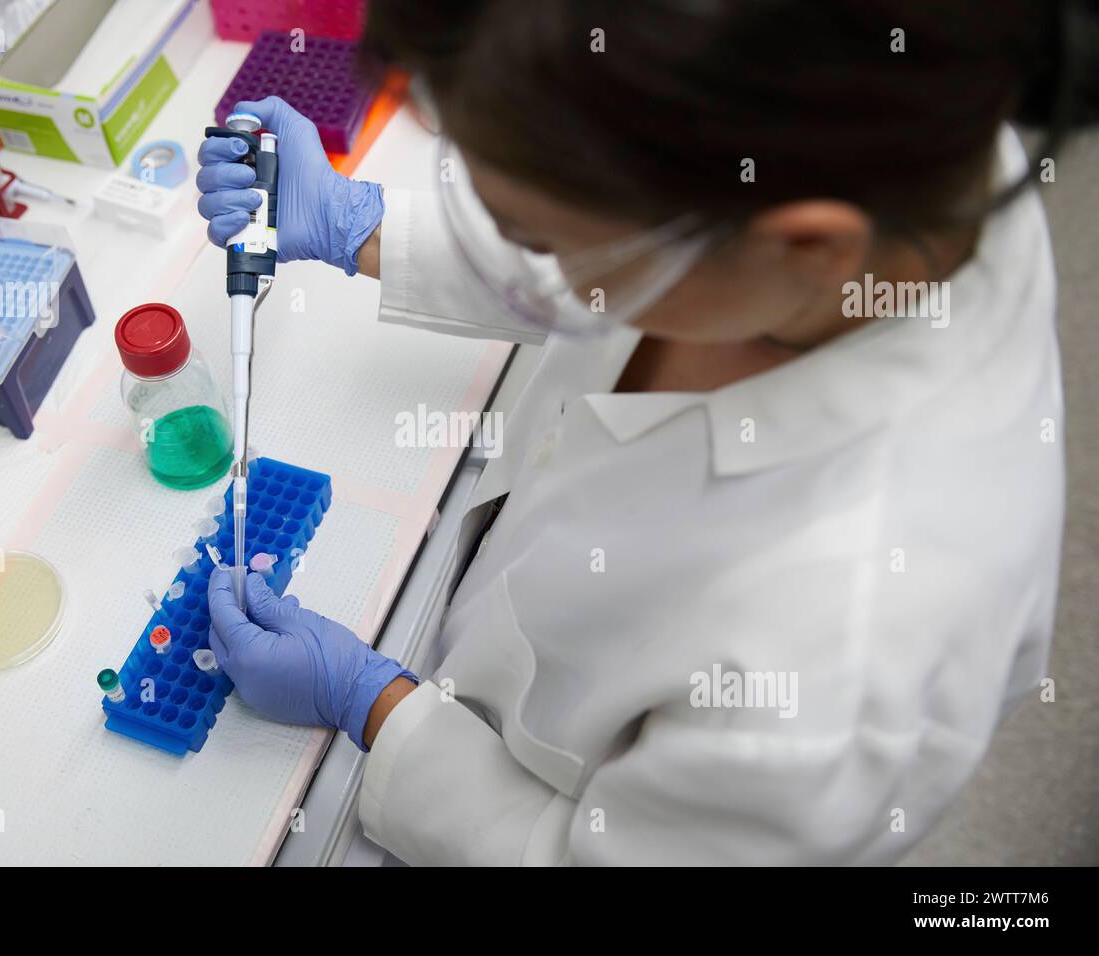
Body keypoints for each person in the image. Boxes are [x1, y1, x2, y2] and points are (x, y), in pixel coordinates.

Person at [195, 0, 1098, 865]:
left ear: (810, 248)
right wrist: (362, 224)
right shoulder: (871, 154)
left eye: (529, 232)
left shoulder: (835, 678)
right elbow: (622, 227)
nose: (514, 247)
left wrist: (372, 703)